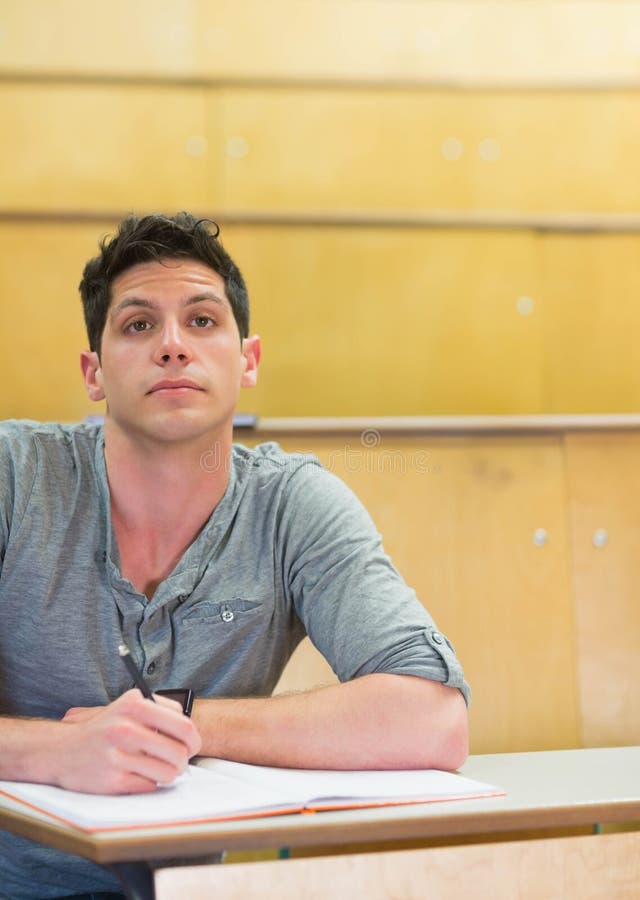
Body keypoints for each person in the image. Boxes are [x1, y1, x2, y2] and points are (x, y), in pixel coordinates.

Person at [0, 212, 469, 898]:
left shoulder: (294, 504)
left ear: (247, 360)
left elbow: (433, 720)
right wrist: (56, 751)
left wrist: (185, 721)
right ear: (93, 372)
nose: (171, 346)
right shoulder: (17, 476)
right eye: (137, 325)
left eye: (201, 321)